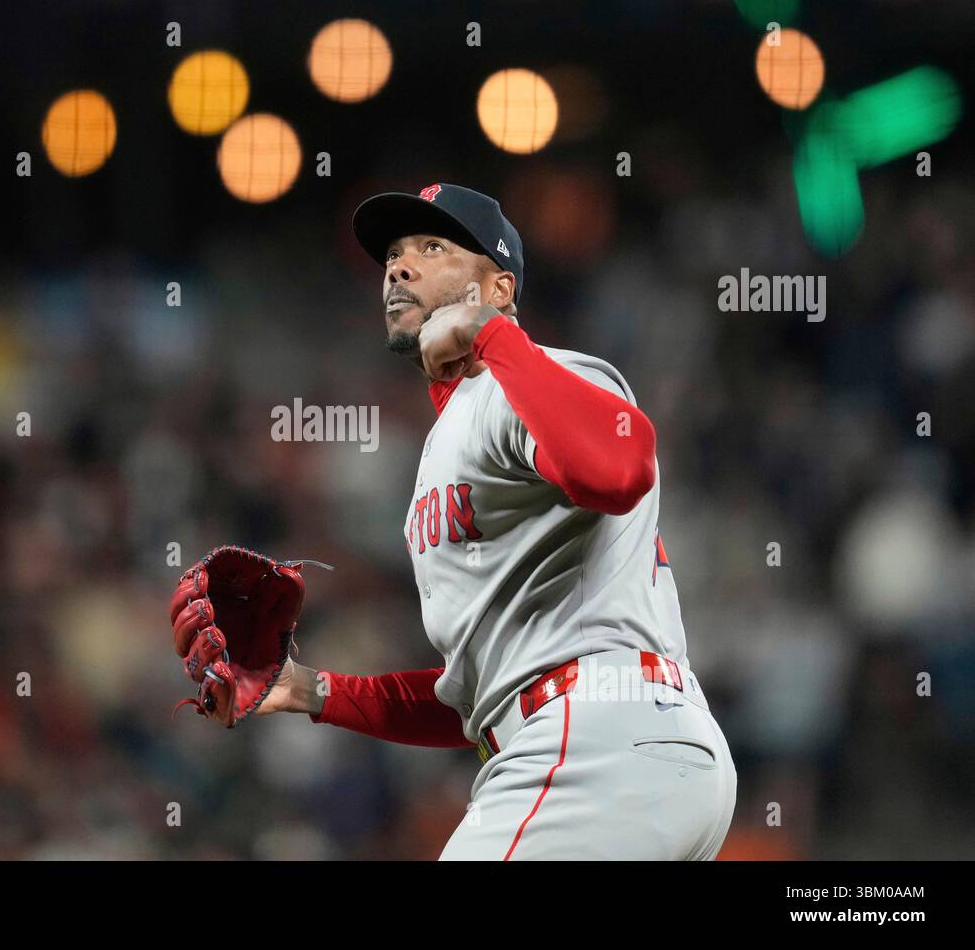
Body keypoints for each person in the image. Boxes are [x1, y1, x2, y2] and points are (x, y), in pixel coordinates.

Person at [257, 182, 737, 860]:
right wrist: (312, 691)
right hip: (617, 750)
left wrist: (493, 337)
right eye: (393, 253)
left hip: (594, 745)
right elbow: (475, 700)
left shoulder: (543, 378)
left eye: (433, 247)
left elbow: (620, 471)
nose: (399, 266)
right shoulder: (455, 435)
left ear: (500, 287)